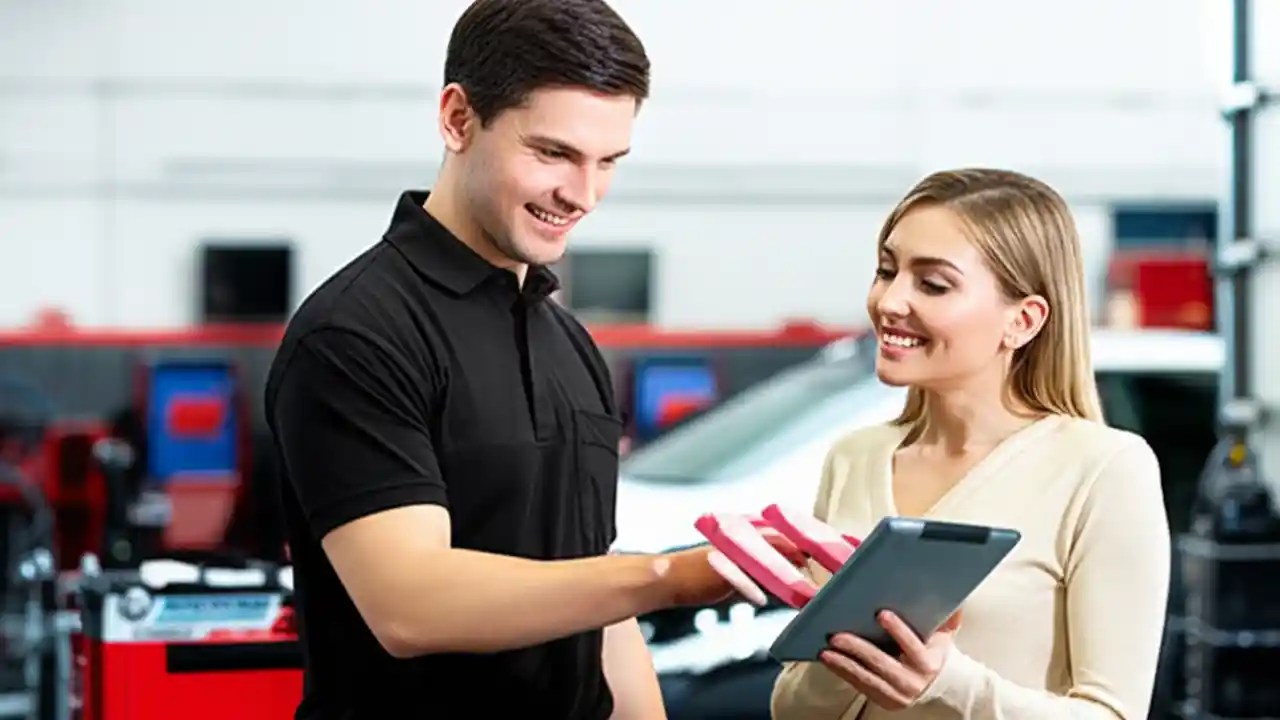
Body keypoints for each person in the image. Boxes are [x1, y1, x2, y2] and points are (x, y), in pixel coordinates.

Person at [262, 2, 760, 717]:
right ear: (458, 119)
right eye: (553, 153)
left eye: (608, 162)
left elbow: (598, 601)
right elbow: (411, 606)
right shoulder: (356, 333)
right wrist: (667, 578)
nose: (582, 195)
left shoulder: (571, 345)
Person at [770, 168, 1171, 719]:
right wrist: (850, 651)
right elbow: (795, 710)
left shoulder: (1103, 469)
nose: (890, 301)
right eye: (887, 271)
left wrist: (948, 683)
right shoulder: (854, 458)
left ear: (1023, 321)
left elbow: (1115, 714)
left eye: (932, 284)